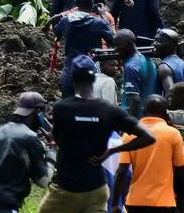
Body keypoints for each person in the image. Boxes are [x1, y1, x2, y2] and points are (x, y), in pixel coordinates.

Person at [35, 56, 152, 213]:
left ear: (72, 77)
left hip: (67, 187)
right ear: (94, 76)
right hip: (96, 187)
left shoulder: (61, 108)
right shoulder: (109, 110)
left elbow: (58, 138)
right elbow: (148, 137)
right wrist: (112, 151)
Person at [111, 95, 184, 213]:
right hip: (164, 202)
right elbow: (180, 172)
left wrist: (114, 204)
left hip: (135, 202)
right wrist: (181, 203)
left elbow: (122, 172)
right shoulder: (173, 134)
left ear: (143, 110)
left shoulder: (129, 135)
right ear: (166, 112)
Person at [0, 92, 53, 213]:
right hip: (6, 203)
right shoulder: (30, 138)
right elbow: (44, 181)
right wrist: (52, 148)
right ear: (38, 113)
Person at [52, 0, 115, 96]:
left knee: (69, 104)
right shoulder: (98, 24)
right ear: (92, 4)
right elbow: (113, 40)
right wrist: (103, 15)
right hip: (91, 71)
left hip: (70, 70)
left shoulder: (65, 21)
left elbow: (56, 31)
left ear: (76, 3)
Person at [115, 29, 157, 118]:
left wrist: (130, 126)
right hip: (150, 115)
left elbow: (134, 100)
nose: (115, 49)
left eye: (118, 45)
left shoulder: (130, 66)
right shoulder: (148, 61)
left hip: (138, 118)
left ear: (128, 44)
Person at [154, 29, 184, 94]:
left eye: (159, 41)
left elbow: (170, 97)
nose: (154, 44)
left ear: (170, 44)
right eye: (155, 40)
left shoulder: (164, 67)